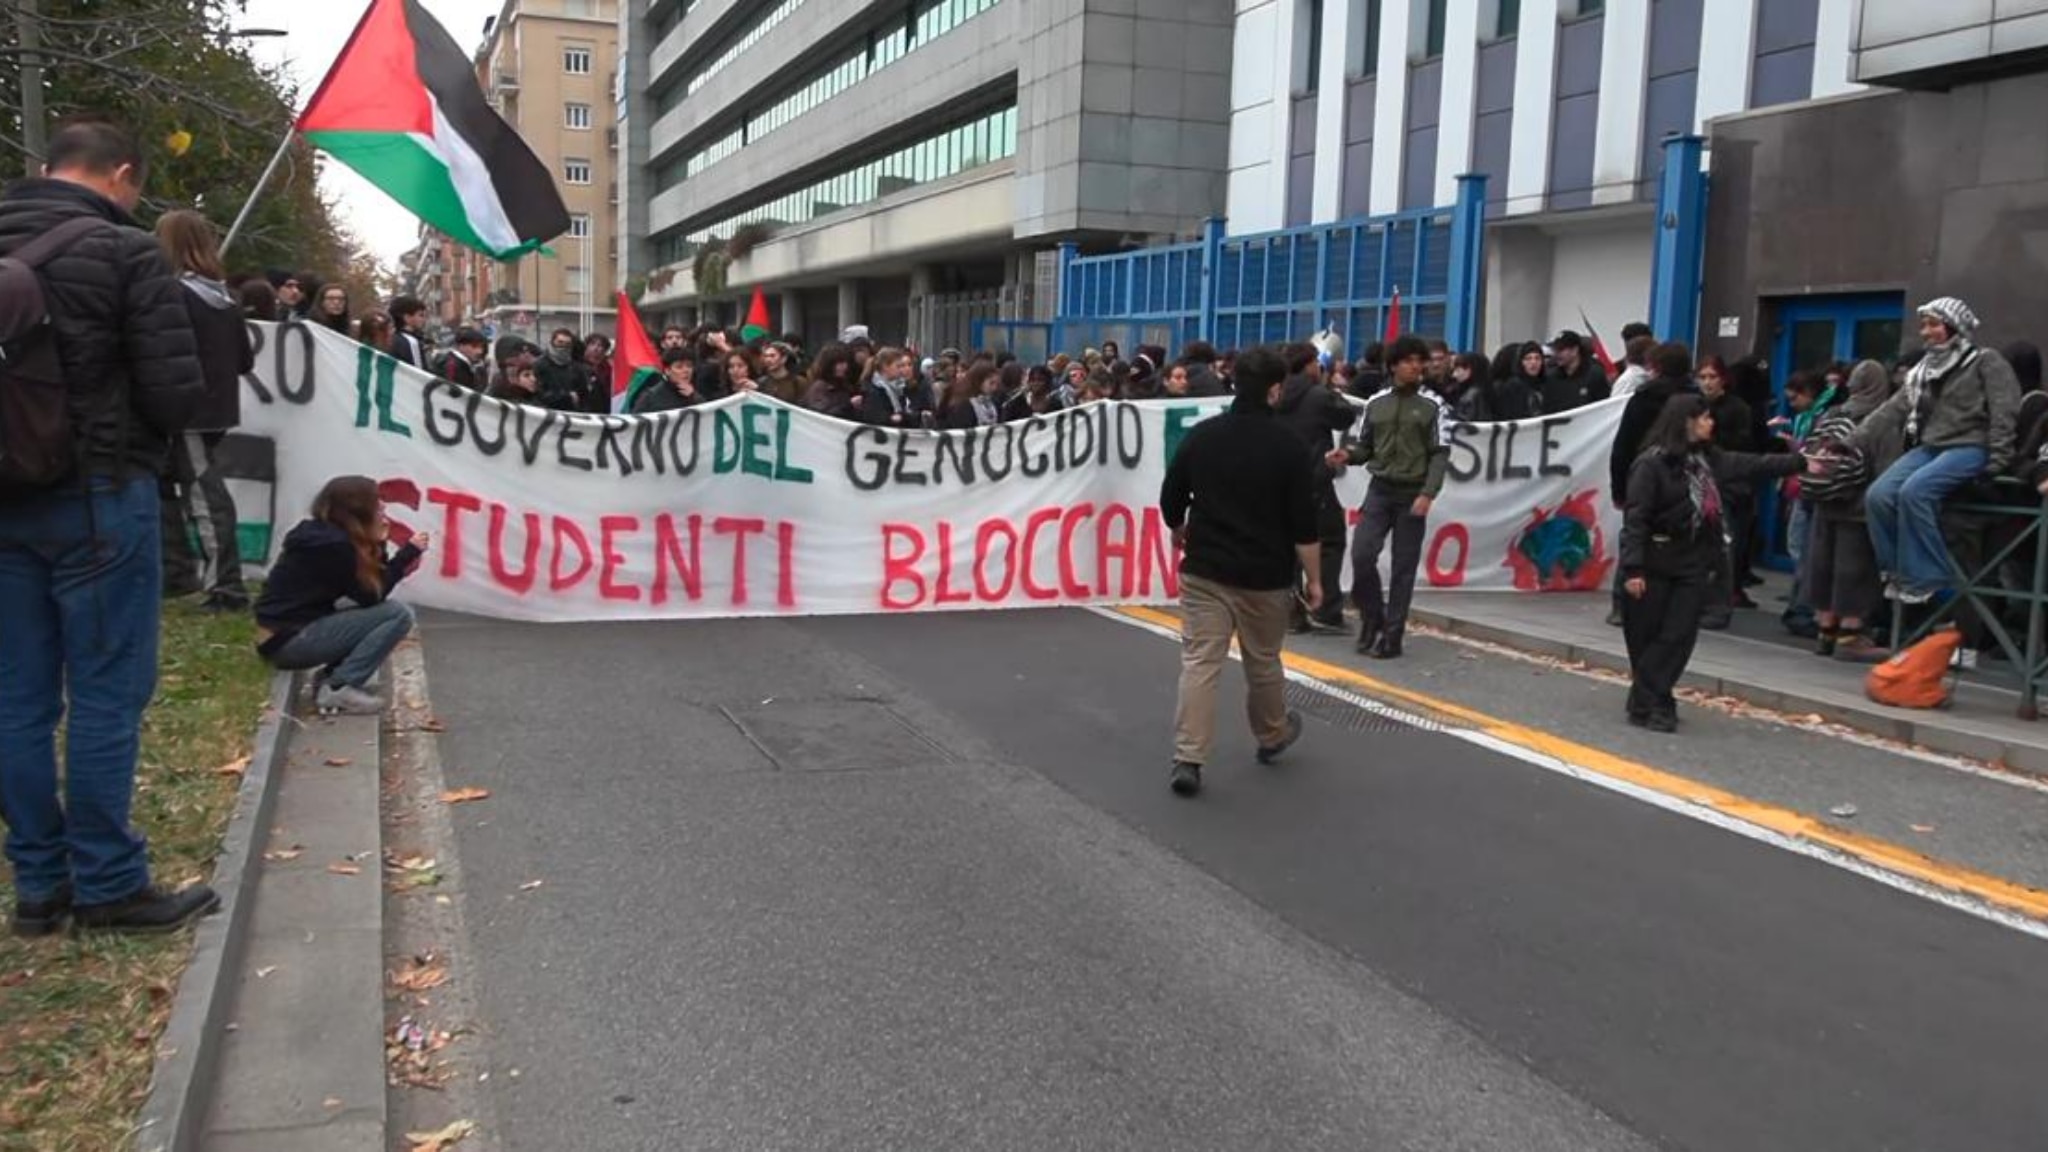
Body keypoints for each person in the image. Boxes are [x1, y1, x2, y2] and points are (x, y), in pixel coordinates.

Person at [0, 117, 216, 935]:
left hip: (4, 503)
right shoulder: (126, 254)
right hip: (97, 497)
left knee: (16, 697)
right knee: (104, 695)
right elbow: (173, 395)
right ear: (122, 174)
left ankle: (37, 886)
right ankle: (108, 884)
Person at [1158, 346, 1318, 798]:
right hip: (1265, 575)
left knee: (1200, 661)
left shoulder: (1204, 435)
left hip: (1206, 568)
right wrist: (1317, 581)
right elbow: (1304, 525)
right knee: (1263, 661)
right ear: (1275, 389)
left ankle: (1189, 756)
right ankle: (1271, 734)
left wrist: (1179, 527)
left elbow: (1172, 494)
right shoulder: (1290, 446)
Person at [1620, 395, 1808, 732]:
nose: (1711, 424)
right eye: (1704, 418)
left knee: (1679, 635)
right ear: (1686, 422)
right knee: (1647, 637)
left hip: (1693, 559)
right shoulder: (1651, 465)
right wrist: (1633, 568)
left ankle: (1652, 699)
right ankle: (1652, 700)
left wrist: (1800, 463)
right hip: (1655, 558)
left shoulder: (1707, 461)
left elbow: (1752, 464)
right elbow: (1636, 519)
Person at [1858, 297, 2022, 605]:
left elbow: (2005, 411)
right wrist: (1850, 441)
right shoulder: (1923, 370)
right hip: (1932, 446)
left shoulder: (1986, 361)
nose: (1925, 332)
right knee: (1878, 495)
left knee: (1915, 492)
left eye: (1933, 324)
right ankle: (1895, 571)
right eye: (1924, 325)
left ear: (1953, 326)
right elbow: (1890, 410)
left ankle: (1927, 576)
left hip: (1971, 445)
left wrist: (1998, 461)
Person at [254, 476, 427, 715]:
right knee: (397, 614)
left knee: (374, 610)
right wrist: (398, 552)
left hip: (282, 631)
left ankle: (332, 677)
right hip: (288, 642)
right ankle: (339, 686)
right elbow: (372, 595)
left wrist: (378, 546)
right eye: (376, 502)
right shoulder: (335, 546)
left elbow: (363, 592)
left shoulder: (323, 535)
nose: (383, 508)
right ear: (358, 508)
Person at [155, 208, 255, 613]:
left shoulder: (171, 295)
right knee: (166, 487)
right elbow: (244, 361)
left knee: (202, 495)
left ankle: (226, 587)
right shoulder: (225, 298)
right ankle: (175, 573)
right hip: (215, 409)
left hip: (186, 411)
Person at [1328, 336, 1448, 659]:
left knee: (1403, 568)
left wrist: (1428, 493)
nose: (1415, 366)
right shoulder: (1376, 403)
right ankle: (1372, 617)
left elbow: (1439, 454)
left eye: (1418, 360)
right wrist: (1348, 455)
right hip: (1380, 490)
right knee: (1362, 555)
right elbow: (1366, 447)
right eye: (1408, 360)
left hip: (1413, 492)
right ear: (1393, 365)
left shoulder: (1433, 406)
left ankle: (1392, 636)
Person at [1805, 361, 1896, 661]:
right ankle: (1850, 634)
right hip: (1858, 507)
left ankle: (1824, 631)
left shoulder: (1833, 413)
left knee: (1824, 565)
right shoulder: (1881, 418)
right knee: (1854, 570)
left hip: (1825, 501)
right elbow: (1886, 468)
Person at [1606, 343, 1698, 626]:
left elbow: (1622, 447)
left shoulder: (1643, 399)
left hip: (1643, 478)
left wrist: (1619, 488)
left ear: (1655, 367)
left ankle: (1624, 604)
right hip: (1686, 480)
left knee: (1636, 535)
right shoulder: (1695, 400)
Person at [1275, 344, 1357, 633]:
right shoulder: (1318, 395)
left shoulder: (1275, 394)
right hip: (1314, 481)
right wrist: (1328, 387)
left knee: (1287, 548)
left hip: (1280, 481)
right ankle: (1325, 608)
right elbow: (1346, 415)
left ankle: (1291, 613)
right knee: (1329, 542)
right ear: (1311, 365)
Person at [1696, 356, 1759, 618]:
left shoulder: (1737, 408)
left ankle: (1726, 592)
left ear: (1723, 379)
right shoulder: (1695, 406)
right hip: (1702, 481)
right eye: (1703, 377)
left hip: (1730, 484)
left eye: (1712, 377)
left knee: (1729, 540)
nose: (1708, 383)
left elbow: (1743, 445)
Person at [1543, 330, 1609, 413]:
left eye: (1561, 349)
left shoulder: (1594, 375)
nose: (1556, 354)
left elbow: (1603, 408)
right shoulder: (1551, 378)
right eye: (1555, 349)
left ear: (1575, 350)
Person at [535, 327, 595, 411]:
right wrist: (566, 397)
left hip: (571, 414)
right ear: (552, 342)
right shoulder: (539, 365)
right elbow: (538, 393)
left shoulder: (576, 368)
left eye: (567, 344)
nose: (563, 346)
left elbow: (584, 395)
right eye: (560, 342)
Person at [632, 349, 704, 414]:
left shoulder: (695, 394)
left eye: (689, 366)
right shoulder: (650, 397)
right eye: (679, 367)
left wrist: (693, 397)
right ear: (667, 371)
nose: (686, 370)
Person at [802, 342, 862, 420]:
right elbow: (822, 416)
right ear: (829, 364)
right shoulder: (819, 388)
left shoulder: (845, 386)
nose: (845, 366)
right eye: (840, 363)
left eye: (846, 362)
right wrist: (849, 405)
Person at [387, 296, 428, 368]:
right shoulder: (411, 342)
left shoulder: (391, 339)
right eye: (420, 315)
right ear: (407, 318)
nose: (424, 320)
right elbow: (419, 372)